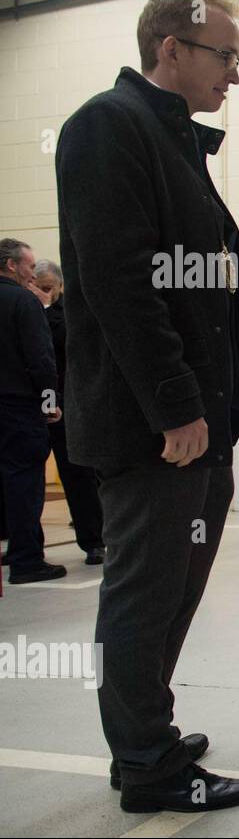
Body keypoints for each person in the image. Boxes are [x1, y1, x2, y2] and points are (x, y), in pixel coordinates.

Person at [55, 0, 239, 813]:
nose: (235, 77)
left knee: (173, 591)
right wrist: (176, 407)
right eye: (227, 57)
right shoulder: (108, 125)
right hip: (157, 429)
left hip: (198, 427)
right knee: (143, 593)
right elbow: (120, 284)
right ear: (171, 49)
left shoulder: (172, 141)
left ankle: (146, 729)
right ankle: (145, 762)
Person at [0, 238, 65, 584]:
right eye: (28, 264)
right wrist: (49, 401)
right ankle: (27, 560)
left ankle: (14, 549)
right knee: (25, 480)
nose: (32, 270)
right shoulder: (24, 302)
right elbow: (40, 359)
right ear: (11, 265)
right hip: (18, 406)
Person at [35, 259, 105, 566]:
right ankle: (25, 543)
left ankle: (93, 541)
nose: (42, 292)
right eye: (38, 286)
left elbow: (70, 350)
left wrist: (45, 310)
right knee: (26, 479)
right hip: (30, 408)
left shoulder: (69, 313)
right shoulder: (22, 307)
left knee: (78, 476)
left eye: (48, 287)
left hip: (67, 406)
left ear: (60, 287)